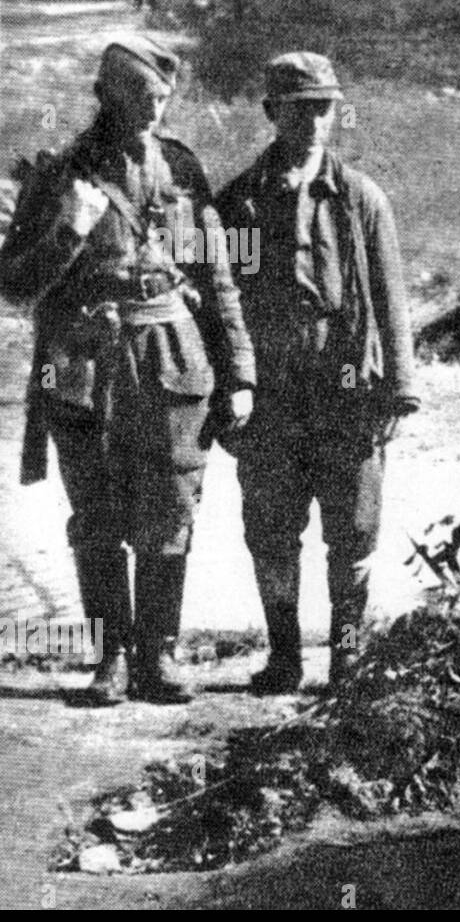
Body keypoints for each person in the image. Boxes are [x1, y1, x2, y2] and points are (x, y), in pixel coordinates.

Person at [0, 36, 256, 706]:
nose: (154, 109)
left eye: (163, 98)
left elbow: (217, 278)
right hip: (86, 367)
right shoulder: (62, 174)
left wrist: (241, 373)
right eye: (142, 96)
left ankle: (159, 656)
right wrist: (68, 230)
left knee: (171, 508)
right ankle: (110, 657)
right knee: (96, 515)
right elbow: (13, 284)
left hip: (172, 362)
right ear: (108, 95)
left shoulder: (180, 171)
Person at [216, 52, 420, 695]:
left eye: (324, 108)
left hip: (346, 391)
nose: (313, 121)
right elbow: (224, 297)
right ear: (272, 112)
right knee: (272, 531)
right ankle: (283, 658)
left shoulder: (360, 200)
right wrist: (229, 388)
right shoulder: (240, 205)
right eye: (299, 108)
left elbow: (391, 300)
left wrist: (402, 388)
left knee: (353, 532)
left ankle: (348, 660)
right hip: (271, 395)